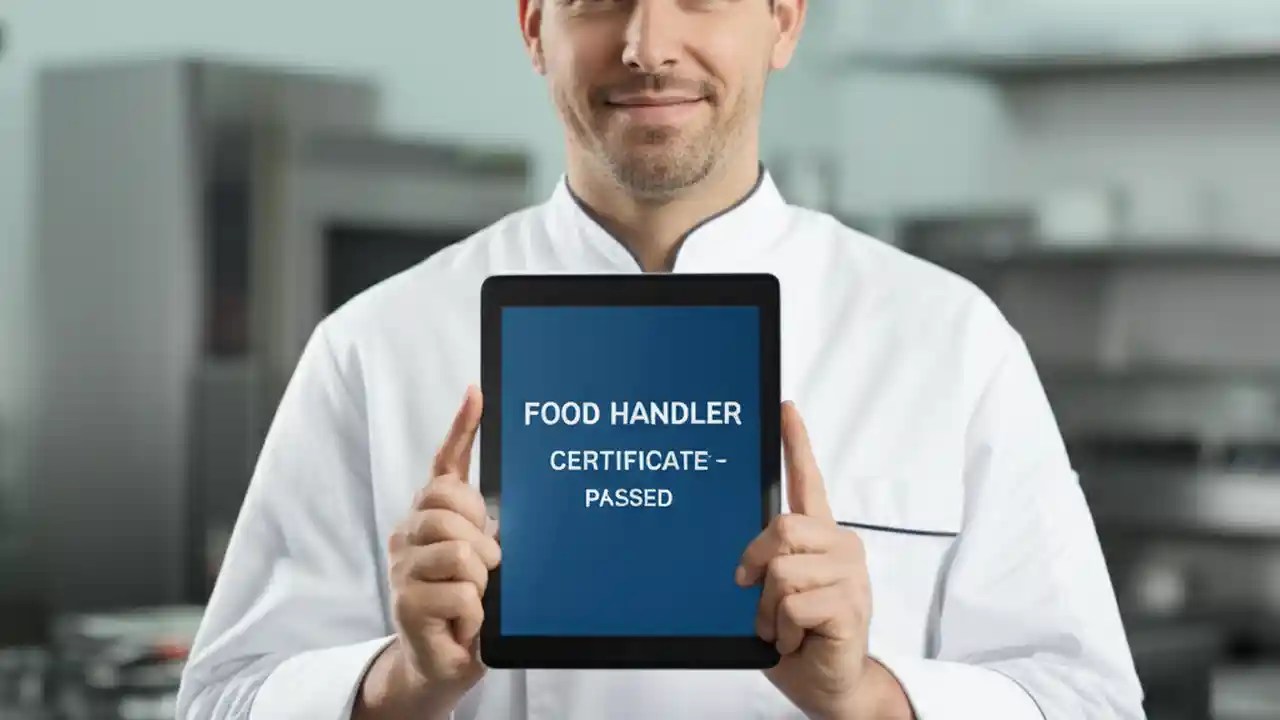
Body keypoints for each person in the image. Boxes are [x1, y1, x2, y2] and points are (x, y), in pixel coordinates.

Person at [177, 1, 1145, 718]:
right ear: (532, 25)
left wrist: (870, 697)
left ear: (782, 20)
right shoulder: (373, 345)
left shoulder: (948, 339)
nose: (647, 44)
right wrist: (400, 681)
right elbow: (220, 700)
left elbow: (1089, 702)